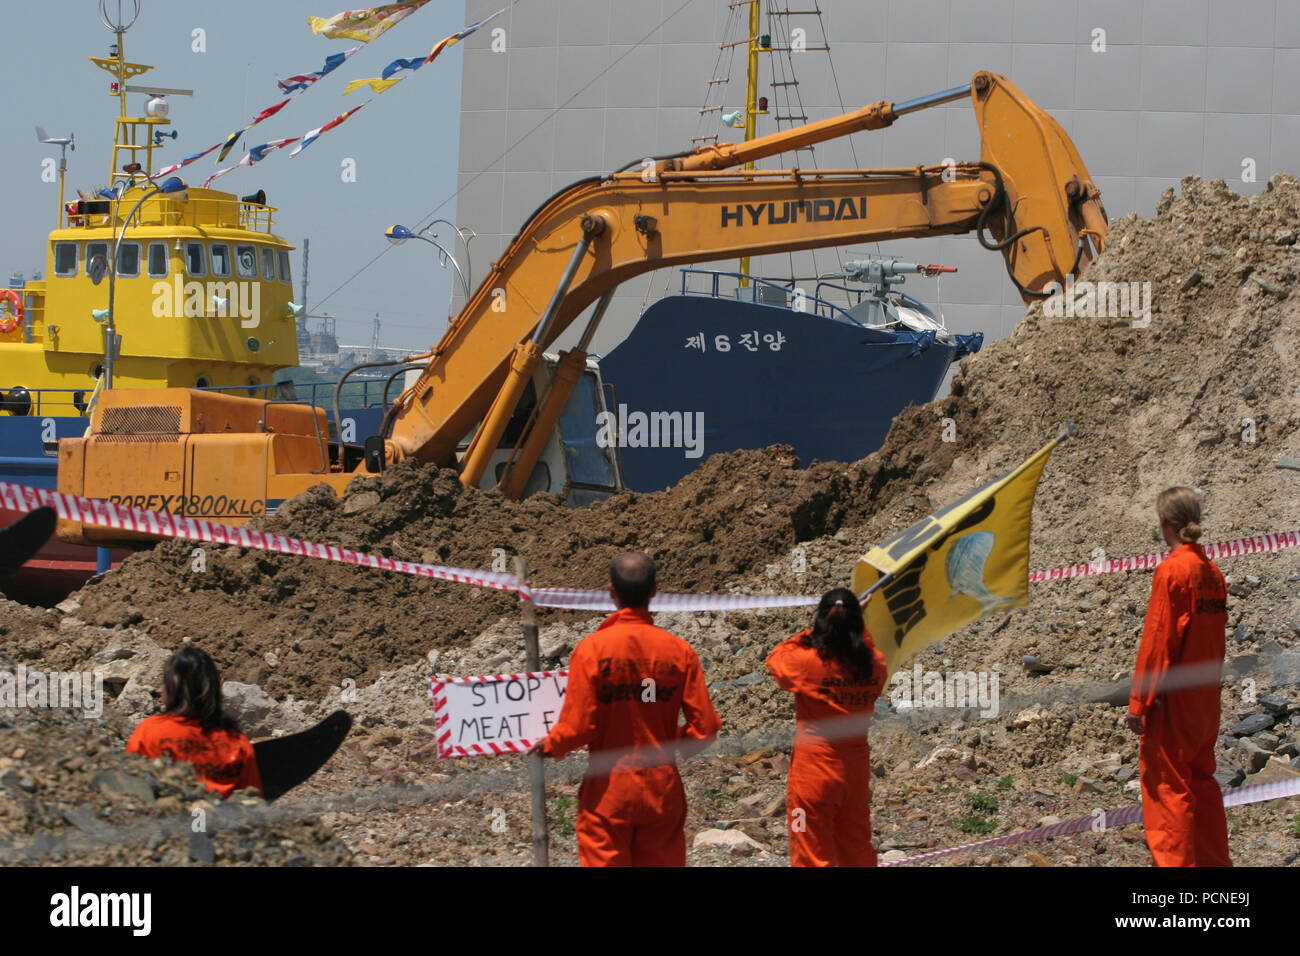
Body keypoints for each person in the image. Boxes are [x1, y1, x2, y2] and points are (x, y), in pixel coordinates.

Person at [530, 552, 721, 866]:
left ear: (611, 592)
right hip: (662, 790)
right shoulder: (679, 651)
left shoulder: (592, 650)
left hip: (609, 793)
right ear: (655, 591)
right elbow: (706, 728)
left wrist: (551, 745)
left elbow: (581, 726)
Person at [1126, 486, 1231, 867]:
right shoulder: (1212, 572)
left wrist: (1140, 701)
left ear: (1163, 523)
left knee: (1170, 789)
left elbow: (1159, 640)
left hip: (1175, 702)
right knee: (1202, 783)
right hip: (1205, 700)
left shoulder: (1173, 570)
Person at [766, 587, 888, 866]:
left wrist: (815, 633)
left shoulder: (808, 662)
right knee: (856, 848)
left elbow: (776, 658)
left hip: (814, 772)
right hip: (854, 773)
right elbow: (865, 648)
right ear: (858, 624)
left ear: (822, 621)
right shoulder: (875, 664)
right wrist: (856, 623)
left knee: (810, 851)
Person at [127, 646, 264, 798]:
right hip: (221, 819)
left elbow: (128, 789)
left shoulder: (148, 732)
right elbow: (253, 802)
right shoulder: (237, 742)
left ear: (172, 688)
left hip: (165, 818)